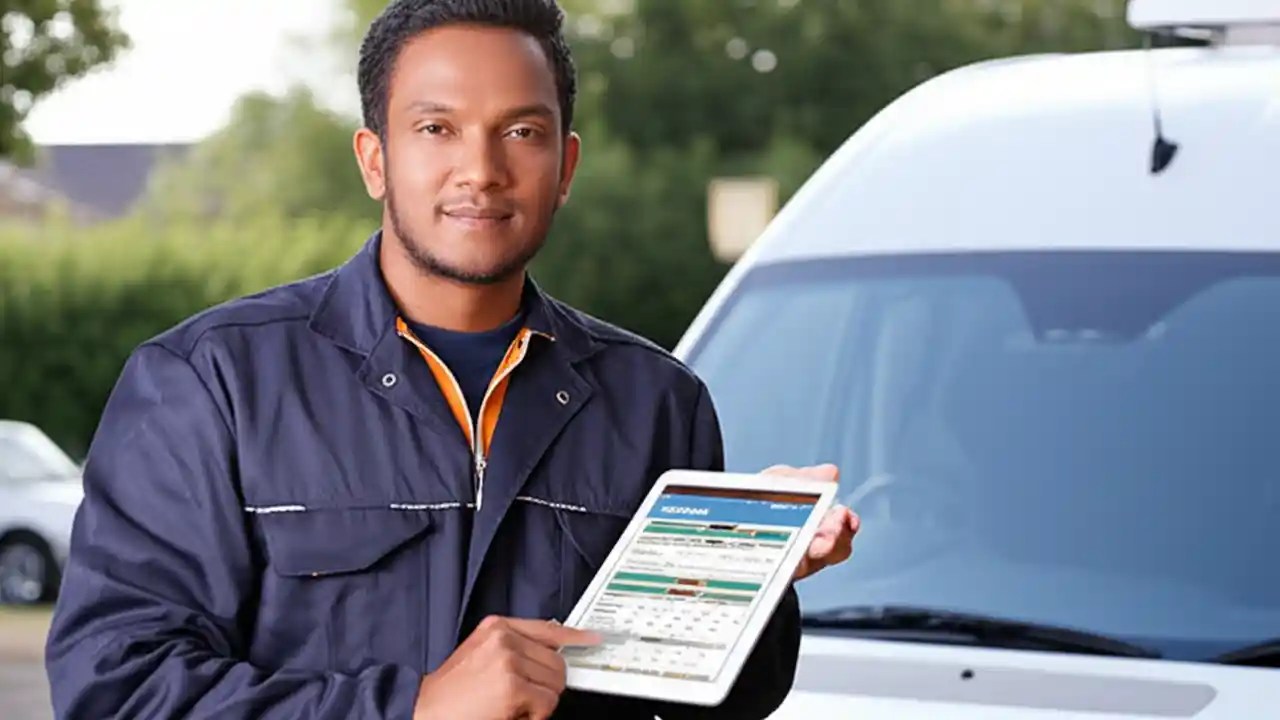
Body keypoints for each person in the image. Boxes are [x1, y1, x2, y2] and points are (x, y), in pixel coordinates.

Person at [44, 1, 859, 718]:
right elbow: (118, 687)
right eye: (437, 128)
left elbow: (699, 703)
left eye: (522, 132)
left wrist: (751, 572)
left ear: (566, 165)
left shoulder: (657, 402)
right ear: (375, 159)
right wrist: (417, 707)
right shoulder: (209, 383)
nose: (482, 170)